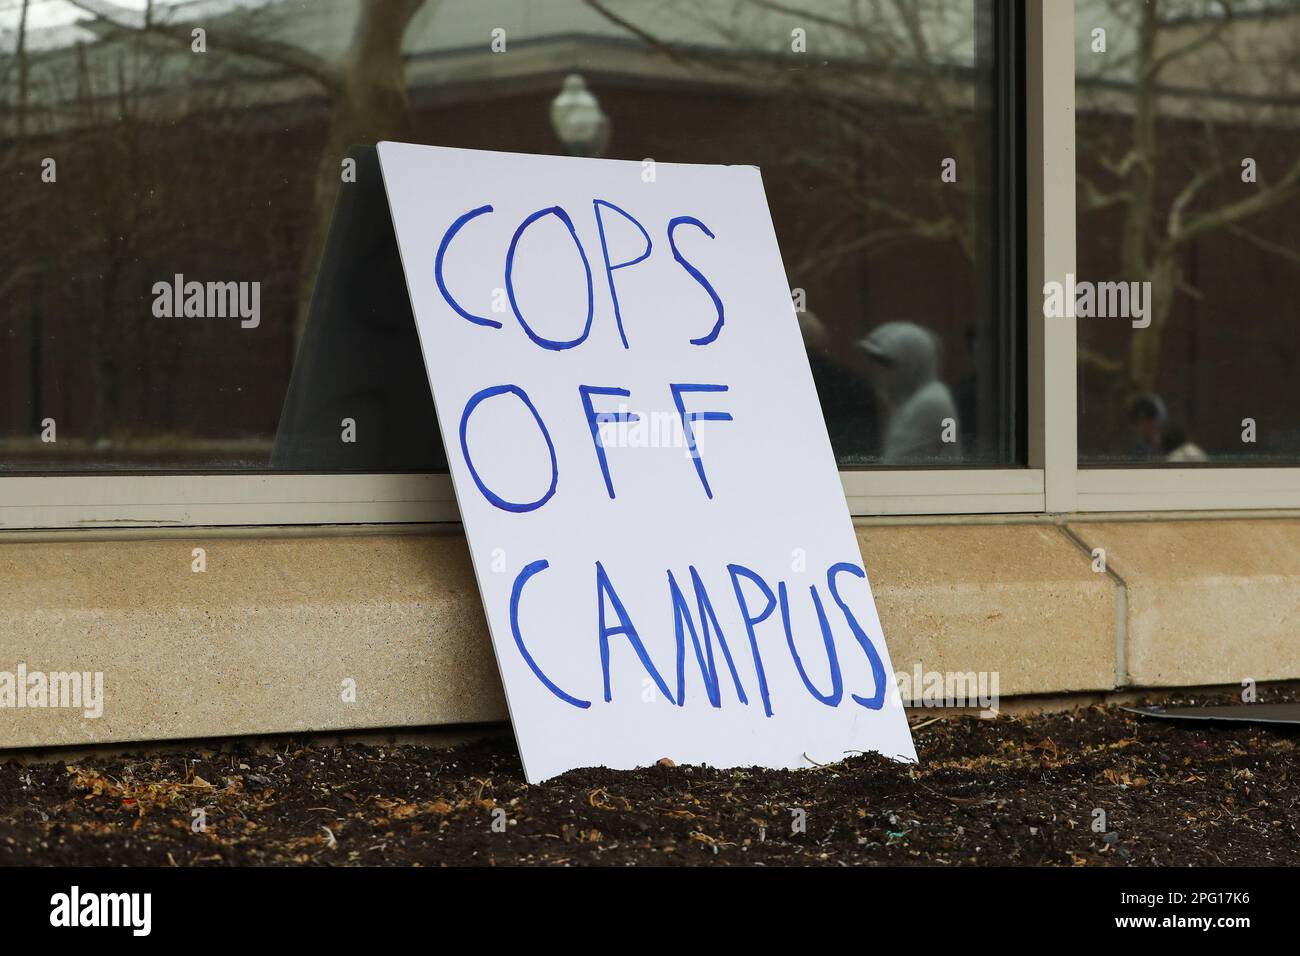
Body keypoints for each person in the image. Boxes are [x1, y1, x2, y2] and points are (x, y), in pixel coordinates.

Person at [859, 321, 960, 464]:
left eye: (887, 364)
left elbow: (896, 464)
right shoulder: (911, 399)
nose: (879, 372)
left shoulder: (929, 403)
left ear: (912, 364)